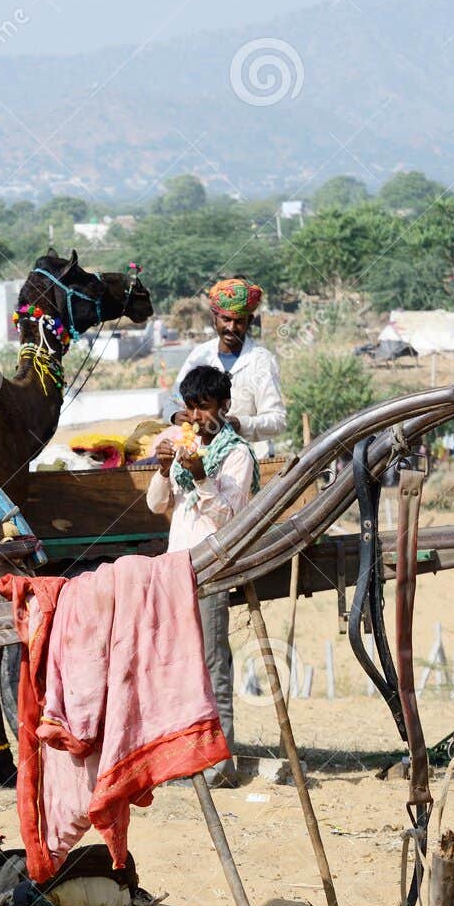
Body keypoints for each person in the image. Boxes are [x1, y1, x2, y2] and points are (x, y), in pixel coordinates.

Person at [147, 365, 260, 789]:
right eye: (190, 408)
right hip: (176, 568)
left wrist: (199, 475)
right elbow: (158, 506)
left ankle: (218, 763)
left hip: (211, 571)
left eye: (204, 407)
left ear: (223, 406)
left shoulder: (236, 455)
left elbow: (229, 516)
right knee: (177, 665)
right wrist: (163, 471)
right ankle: (182, 757)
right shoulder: (181, 445)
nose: (196, 417)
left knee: (213, 664)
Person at [169, 278, 285, 445]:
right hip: (200, 456)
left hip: (251, 457)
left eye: (239, 321)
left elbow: (277, 421)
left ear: (249, 321)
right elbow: (173, 400)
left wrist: (239, 424)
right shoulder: (199, 355)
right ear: (214, 319)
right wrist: (175, 415)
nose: (231, 327)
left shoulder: (261, 361)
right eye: (226, 319)